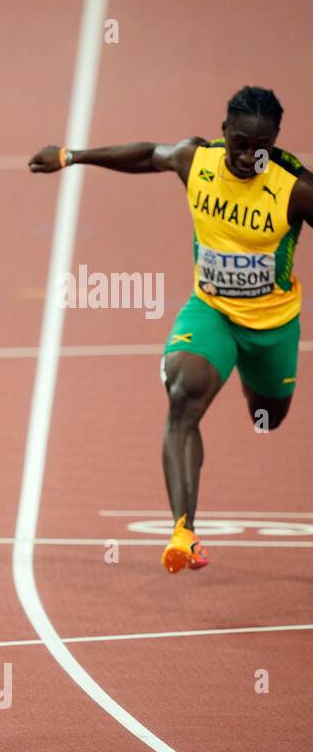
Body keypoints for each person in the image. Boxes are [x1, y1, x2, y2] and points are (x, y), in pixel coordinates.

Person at [29, 86, 310, 574]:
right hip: (212, 312)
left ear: (275, 141)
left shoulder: (296, 188)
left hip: (273, 325)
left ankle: (252, 378)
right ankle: (184, 531)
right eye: (239, 142)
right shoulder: (194, 160)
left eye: (260, 148)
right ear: (223, 132)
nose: (248, 156)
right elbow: (145, 156)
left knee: (268, 417)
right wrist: (72, 156)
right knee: (184, 393)